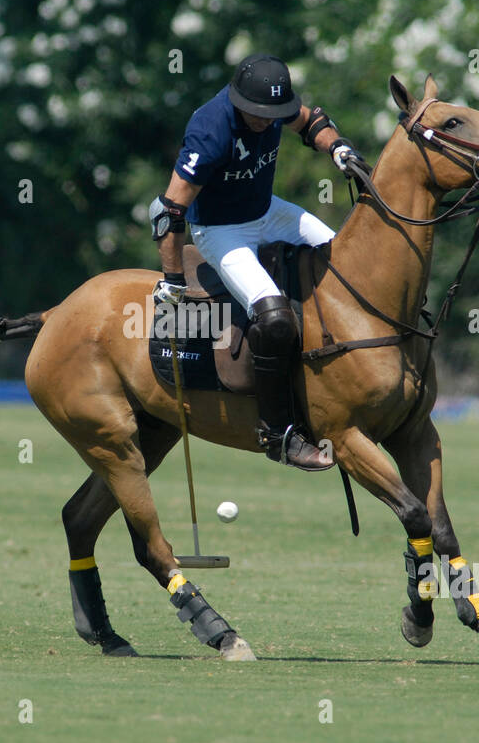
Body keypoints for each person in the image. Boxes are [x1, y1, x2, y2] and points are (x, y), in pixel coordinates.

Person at [149, 53, 365, 471]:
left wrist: (337, 148)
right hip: (221, 230)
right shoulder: (211, 129)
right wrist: (172, 279)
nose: (269, 122)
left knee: (347, 267)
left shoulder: (272, 108)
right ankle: (279, 433)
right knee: (275, 319)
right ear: (240, 103)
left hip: (269, 212)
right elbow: (169, 211)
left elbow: (310, 121)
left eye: (274, 114)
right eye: (260, 115)